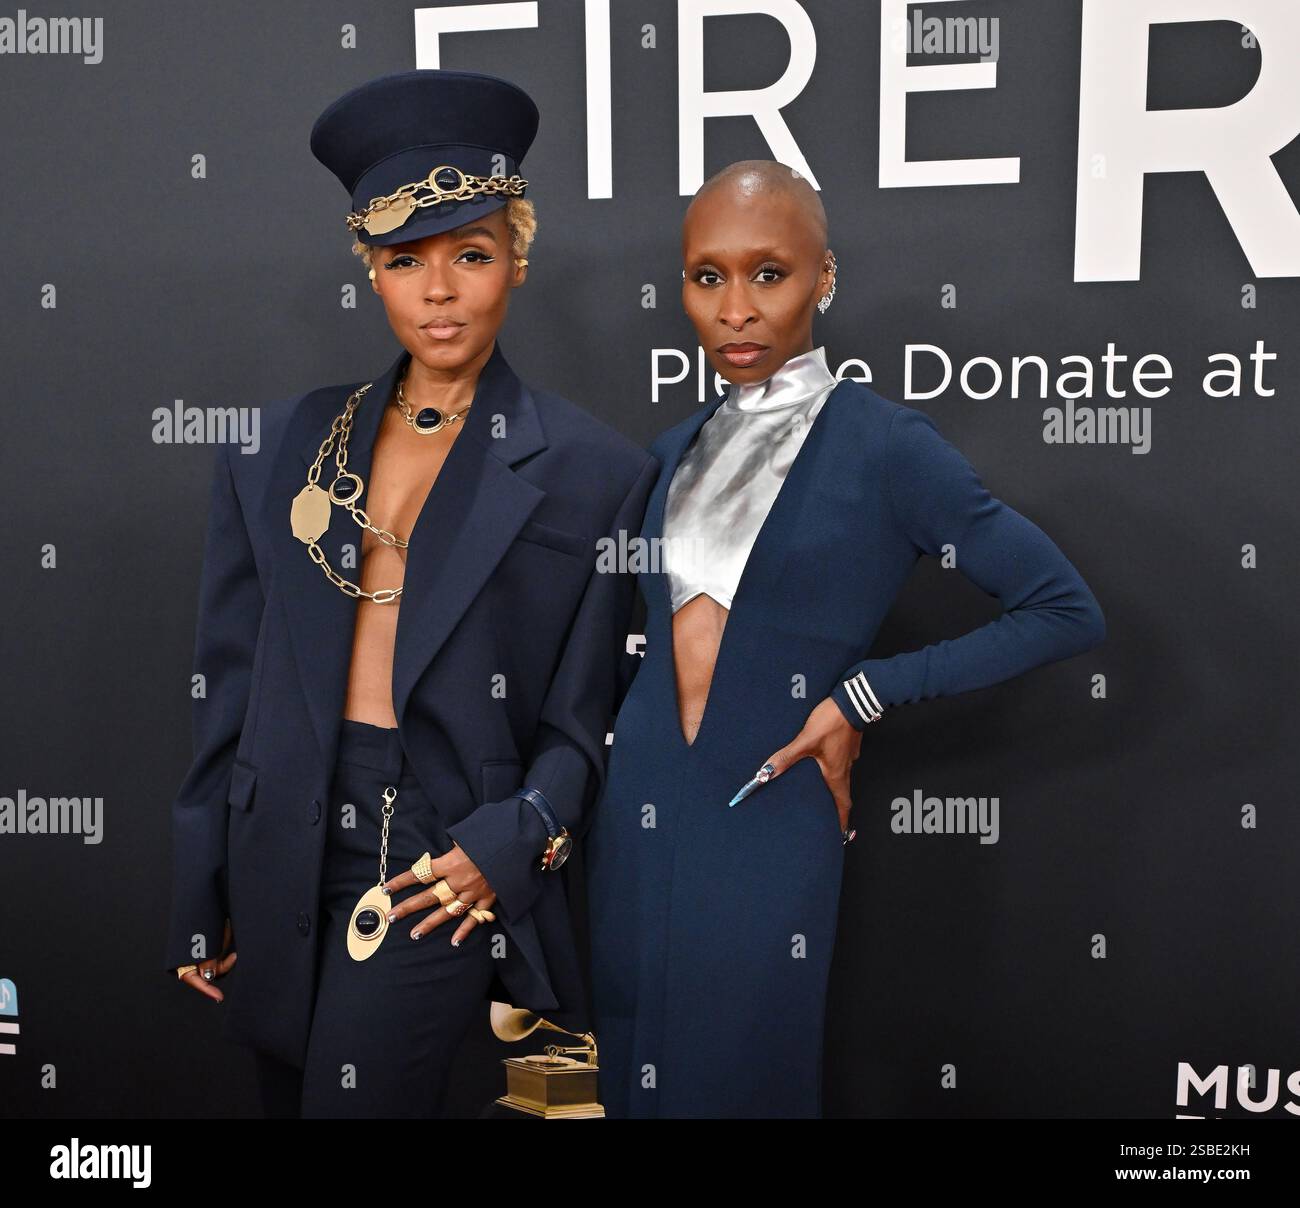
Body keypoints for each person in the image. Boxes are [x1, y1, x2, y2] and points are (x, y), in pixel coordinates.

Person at [162, 68, 657, 1118]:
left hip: (433, 859)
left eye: (471, 255)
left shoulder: (592, 470)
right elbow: (229, 683)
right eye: (404, 261)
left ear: (516, 260)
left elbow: (588, 718)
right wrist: (203, 881)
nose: (440, 291)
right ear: (370, 273)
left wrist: (512, 836)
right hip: (280, 840)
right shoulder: (274, 447)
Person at [584, 159, 1106, 1118]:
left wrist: (863, 695)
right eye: (708, 277)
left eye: (769, 273)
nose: (736, 308)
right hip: (639, 810)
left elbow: (1062, 607)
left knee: (743, 1079)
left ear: (825, 278)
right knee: (631, 1072)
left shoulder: (886, 447)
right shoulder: (667, 454)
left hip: (770, 807)